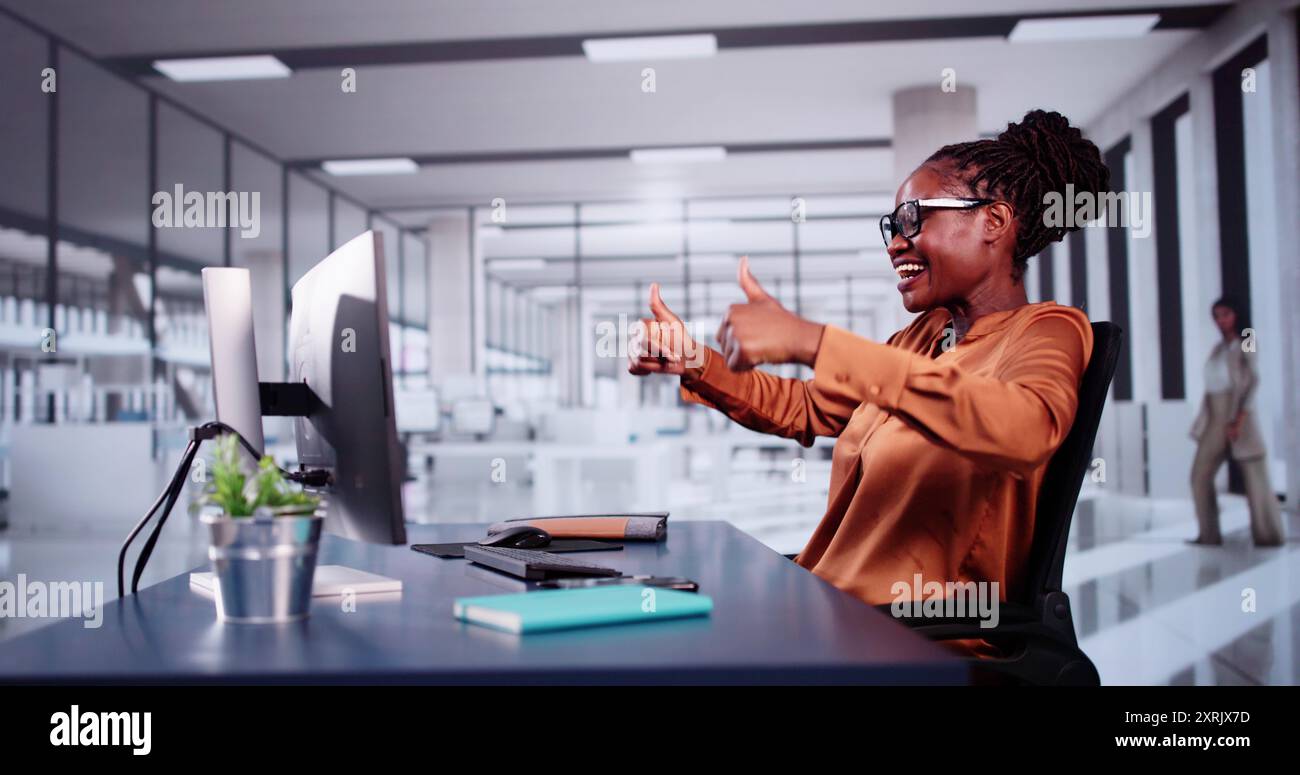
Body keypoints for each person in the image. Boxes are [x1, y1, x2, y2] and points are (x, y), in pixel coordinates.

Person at [629, 110, 1110, 628]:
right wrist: (696, 361)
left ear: (993, 221)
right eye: (891, 226)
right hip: (833, 612)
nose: (895, 243)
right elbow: (808, 407)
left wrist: (814, 341)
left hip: (919, 639)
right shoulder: (923, 338)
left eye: (913, 219)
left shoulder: (1048, 330)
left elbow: (1024, 428)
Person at [1188, 298, 1284, 547]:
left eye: (1225, 314)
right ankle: (1208, 534)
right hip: (1215, 417)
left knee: (1256, 478)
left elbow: (1253, 380)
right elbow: (1210, 389)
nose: (1221, 320)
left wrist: (1239, 418)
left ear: (1236, 315)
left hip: (1239, 415)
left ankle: (1268, 536)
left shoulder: (1247, 341)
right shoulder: (1218, 349)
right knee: (1200, 475)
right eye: (1217, 315)